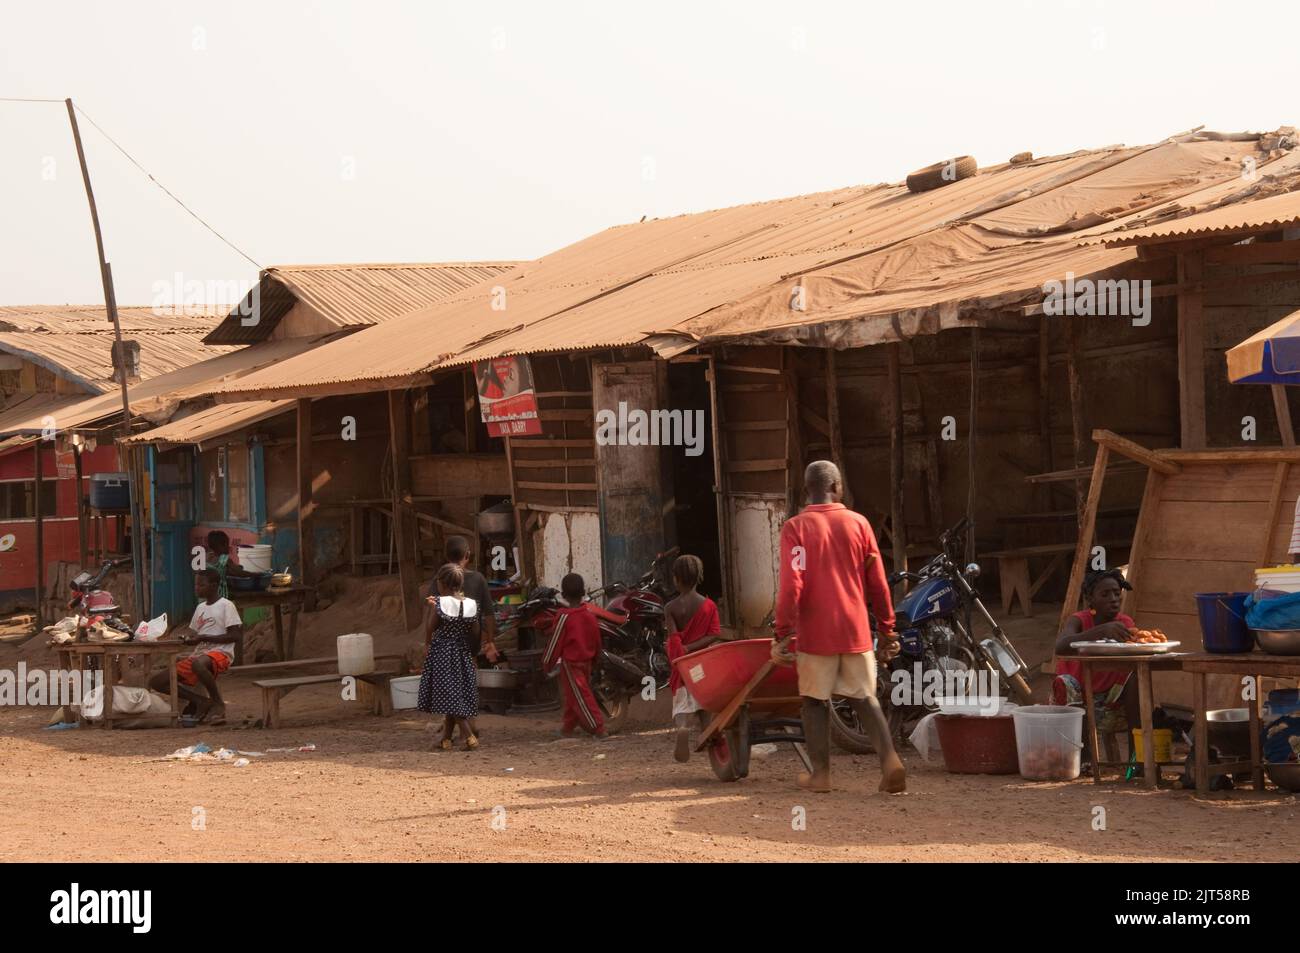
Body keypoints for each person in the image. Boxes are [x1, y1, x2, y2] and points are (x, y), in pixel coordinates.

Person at [772, 459, 906, 794]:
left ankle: (821, 775)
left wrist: (782, 632)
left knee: (814, 701)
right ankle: (890, 761)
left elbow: (792, 584)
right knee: (864, 696)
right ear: (836, 487)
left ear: (808, 490)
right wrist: (888, 628)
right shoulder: (859, 524)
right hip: (855, 629)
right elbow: (878, 584)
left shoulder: (796, 529)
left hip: (816, 634)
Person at [1053, 568, 1142, 752]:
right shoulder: (1079, 620)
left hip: (1110, 693)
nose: (1114, 599)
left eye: (1117, 593)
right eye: (1105, 594)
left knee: (1134, 679)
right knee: (1067, 684)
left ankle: (1138, 757)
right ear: (1090, 599)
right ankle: (1084, 758)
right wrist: (1100, 631)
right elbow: (1060, 646)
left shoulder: (1125, 624)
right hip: (1077, 692)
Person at [150, 568, 241, 725]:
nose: (197, 588)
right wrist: (189, 640)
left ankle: (218, 703)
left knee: (197, 663)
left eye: (201, 585)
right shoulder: (200, 608)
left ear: (213, 586)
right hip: (200, 655)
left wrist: (202, 638)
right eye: (196, 585)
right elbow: (197, 634)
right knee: (157, 682)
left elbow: (235, 636)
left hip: (221, 654)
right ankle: (200, 701)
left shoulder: (226, 605)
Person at [664, 554, 724, 762]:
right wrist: (693, 647)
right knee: (703, 701)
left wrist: (681, 651)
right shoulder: (709, 606)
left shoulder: (670, 608)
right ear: (699, 576)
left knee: (682, 700)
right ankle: (709, 734)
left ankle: (682, 727)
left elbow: (673, 638)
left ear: (676, 578)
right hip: (702, 662)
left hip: (682, 663)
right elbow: (715, 634)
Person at [418, 563, 482, 751]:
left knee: (448, 695)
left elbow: (431, 627)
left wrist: (428, 643)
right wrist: (471, 652)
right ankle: (446, 740)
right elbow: (476, 630)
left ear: (441, 583)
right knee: (454, 693)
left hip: (443, 653)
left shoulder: (440, 604)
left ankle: (469, 736)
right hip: (462, 652)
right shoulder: (470, 604)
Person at [542, 573, 608, 739]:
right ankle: (567, 728)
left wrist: (547, 663)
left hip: (571, 664)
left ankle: (598, 728)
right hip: (587, 662)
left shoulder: (564, 617)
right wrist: (596, 660)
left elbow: (555, 642)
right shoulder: (590, 616)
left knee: (581, 696)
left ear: (563, 595)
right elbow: (597, 641)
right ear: (583, 592)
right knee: (574, 695)